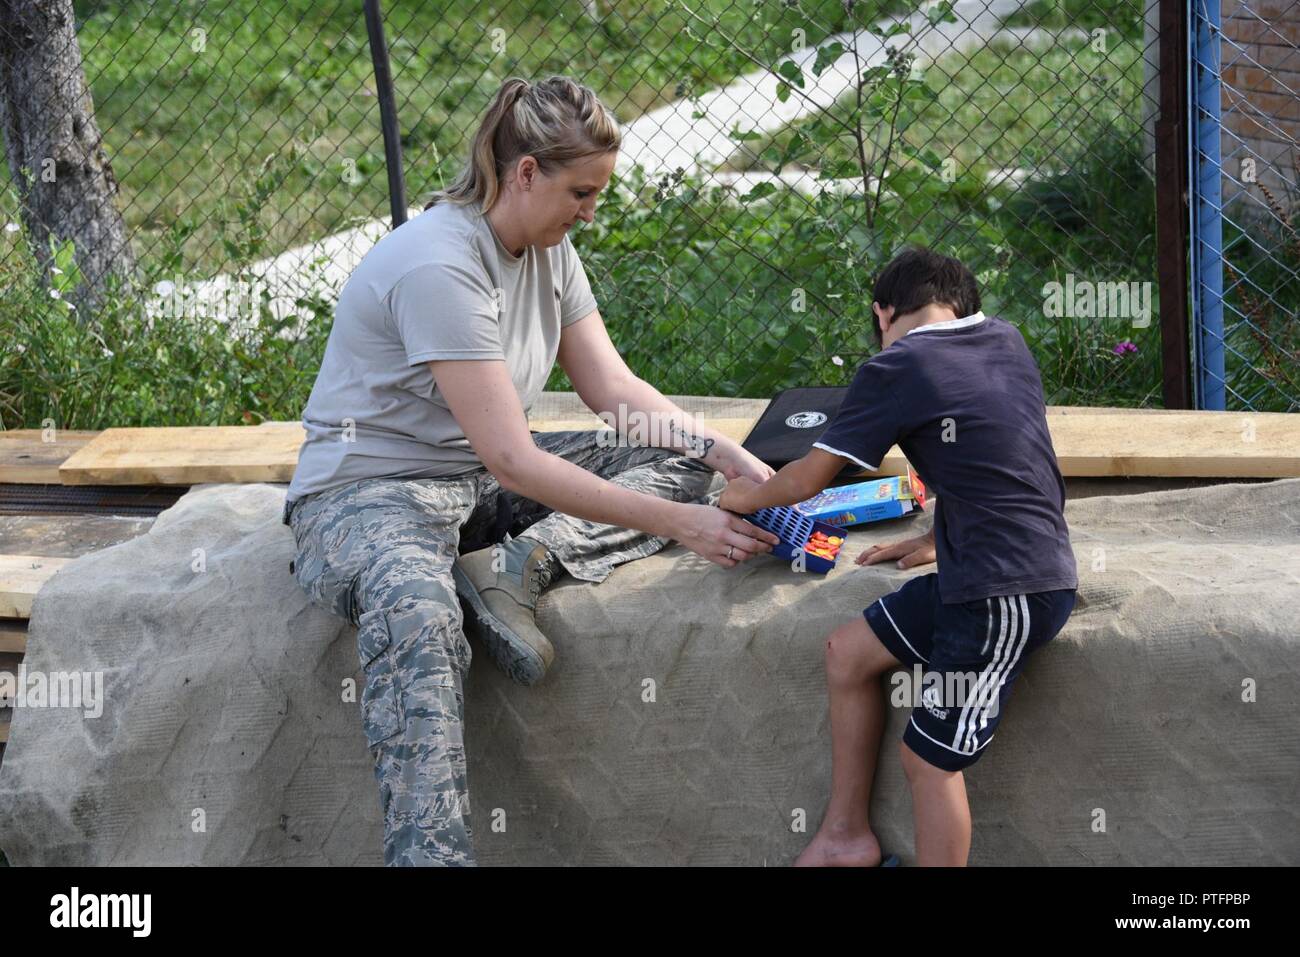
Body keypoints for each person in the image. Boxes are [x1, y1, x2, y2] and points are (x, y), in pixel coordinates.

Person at [282, 75, 780, 866]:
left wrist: (749, 466)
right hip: (367, 493)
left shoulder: (552, 251)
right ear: (523, 173)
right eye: (581, 191)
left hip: (473, 485)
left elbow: (613, 391)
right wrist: (683, 523)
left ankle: (518, 565)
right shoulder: (440, 264)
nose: (591, 210)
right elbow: (514, 455)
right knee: (419, 613)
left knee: (677, 458)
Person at [719, 246, 1078, 866]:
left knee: (927, 759)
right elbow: (1005, 458)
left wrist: (745, 495)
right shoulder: (1006, 339)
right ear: (964, 306)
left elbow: (807, 480)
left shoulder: (896, 365)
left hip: (1006, 593)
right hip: (981, 572)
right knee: (847, 653)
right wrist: (939, 537)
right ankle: (845, 838)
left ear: (883, 312)